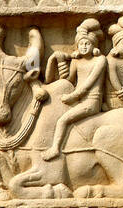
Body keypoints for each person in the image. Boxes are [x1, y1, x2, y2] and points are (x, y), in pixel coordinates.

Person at [45, 19, 107, 161]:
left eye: (87, 44)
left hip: (91, 102)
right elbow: (68, 80)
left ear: (94, 45)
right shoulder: (76, 61)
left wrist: (72, 97)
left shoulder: (100, 60)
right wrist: (58, 61)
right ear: (77, 46)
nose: (84, 46)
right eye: (81, 44)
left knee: (62, 120)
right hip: (77, 100)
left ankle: (55, 149)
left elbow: (87, 85)